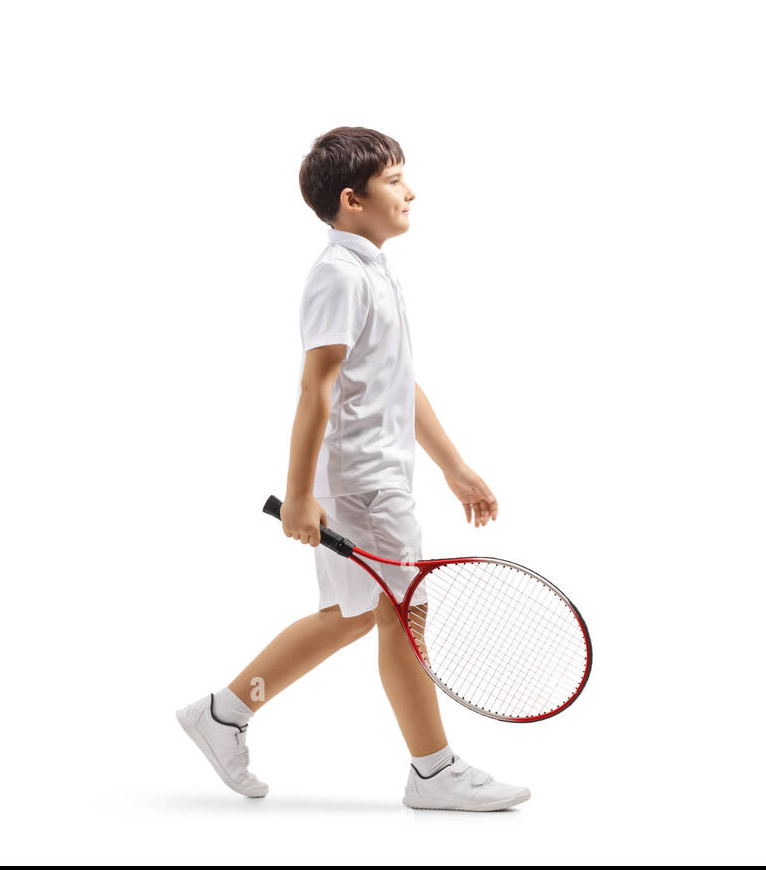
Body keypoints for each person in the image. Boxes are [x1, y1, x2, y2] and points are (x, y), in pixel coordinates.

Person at [175, 126, 530, 811]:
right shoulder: (338, 275)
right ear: (352, 198)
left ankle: (222, 714)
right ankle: (433, 770)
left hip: (381, 475)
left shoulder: (372, 268)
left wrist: (454, 466)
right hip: (365, 482)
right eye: (396, 180)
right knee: (406, 611)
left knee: (349, 614)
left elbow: (397, 379)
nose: (411, 190)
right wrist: (302, 495)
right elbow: (317, 388)